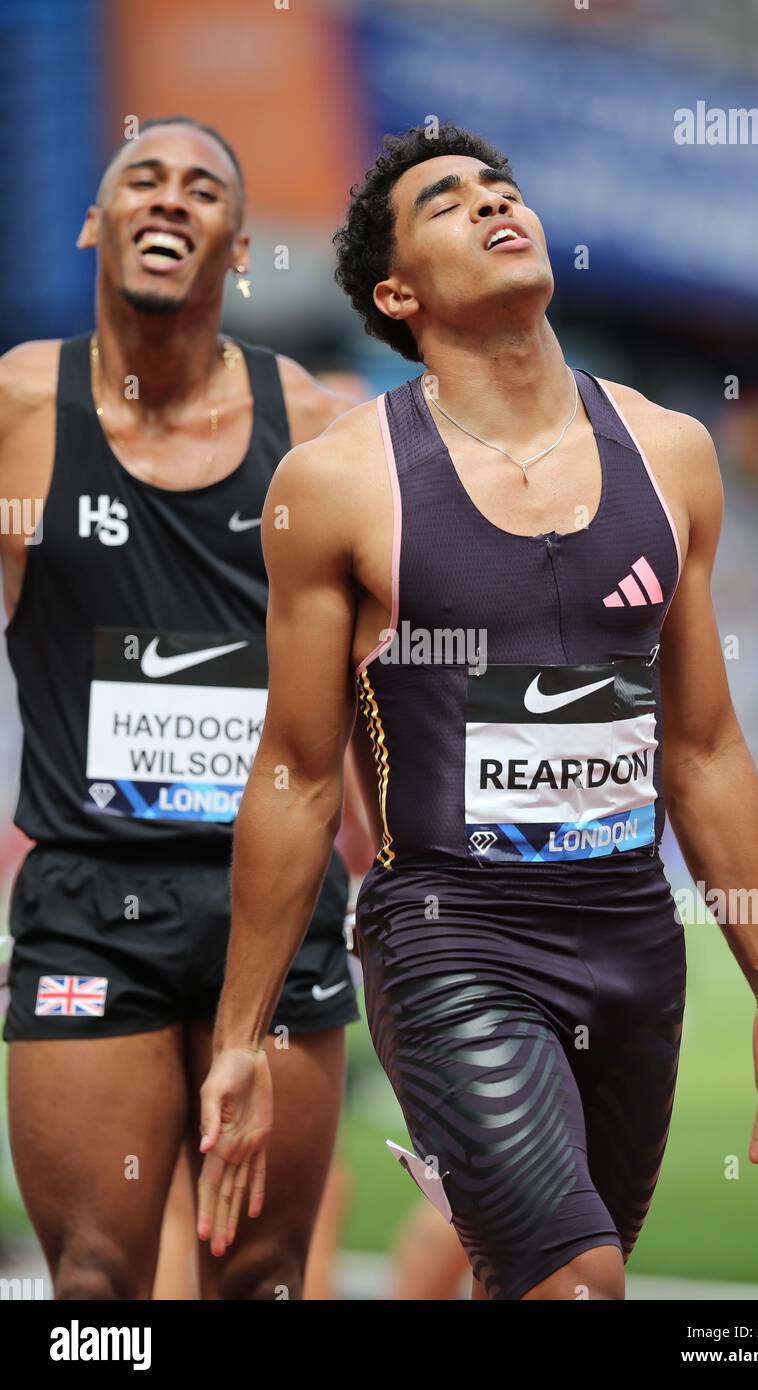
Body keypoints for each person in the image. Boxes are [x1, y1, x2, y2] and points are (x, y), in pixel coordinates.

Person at [197, 124, 758, 1301]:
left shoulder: (668, 452)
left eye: (503, 188)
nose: (494, 204)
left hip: (633, 943)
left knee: (526, 1280)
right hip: (450, 935)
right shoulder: (339, 483)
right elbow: (291, 773)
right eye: (447, 203)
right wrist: (237, 1036)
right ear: (396, 292)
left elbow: (700, 746)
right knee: (577, 1282)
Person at [0, 116, 362, 1300]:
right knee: (98, 1287)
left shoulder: (308, 424)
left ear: (240, 248)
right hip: (87, 905)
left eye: (202, 189)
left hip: (273, 906)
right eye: (141, 182)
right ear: (93, 225)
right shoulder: (17, 409)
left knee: (254, 1283)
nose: (169, 201)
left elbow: (393, 655)